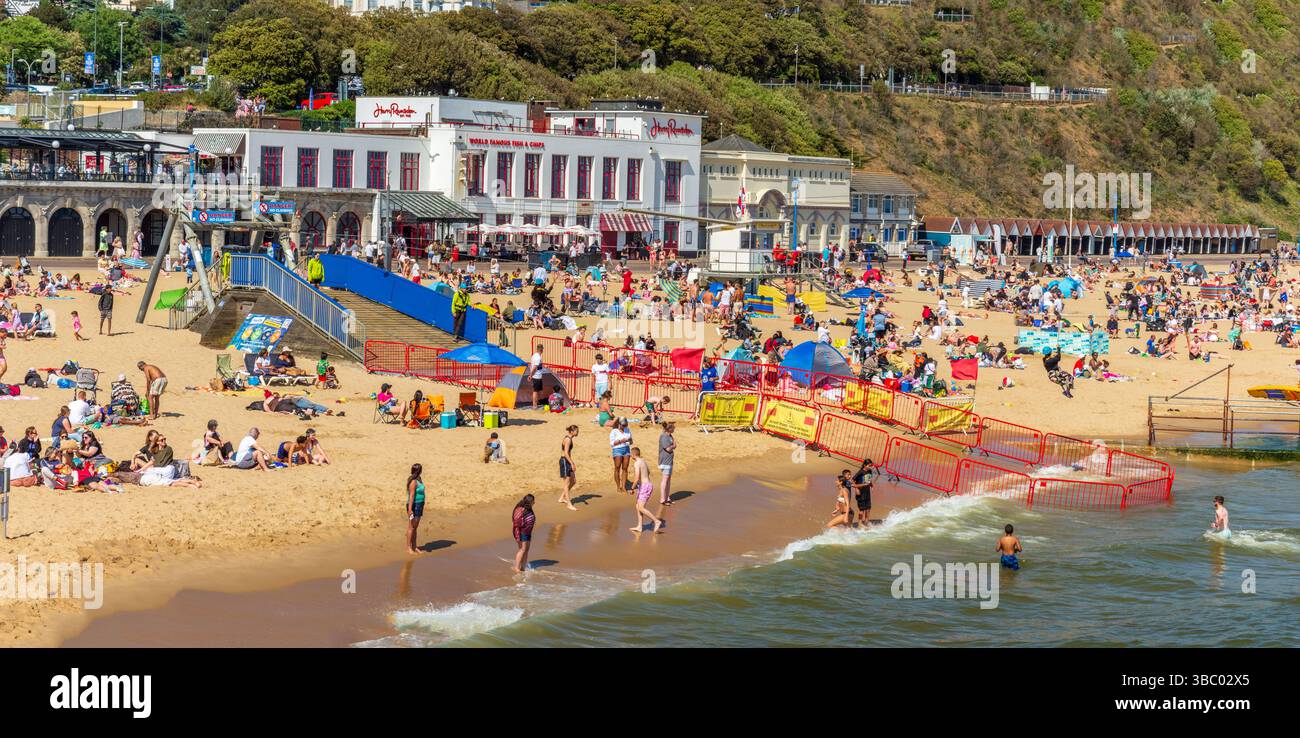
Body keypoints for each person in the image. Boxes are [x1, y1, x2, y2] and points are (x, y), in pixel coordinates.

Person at [628, 447, 664, 534]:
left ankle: (656, 521)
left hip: (645, 486)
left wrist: (632, 488)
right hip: (646, 485)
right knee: (638, 506)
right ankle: (640, 526)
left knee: (641, 507)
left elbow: (636, 478)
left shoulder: (637, 463)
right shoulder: (643, 461)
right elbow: (648, 472)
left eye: (630, 454)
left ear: (633, 455)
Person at [512, 494, 536, 573]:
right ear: (529, 502)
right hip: (522, 532)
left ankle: (523, 567)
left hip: (528, 532)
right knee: (522, 550)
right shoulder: (520, 509)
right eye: (533, 501)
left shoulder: (528, 508)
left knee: (526, 550)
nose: (534, 503)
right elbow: (517, 523)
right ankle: (516, 568)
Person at [405, 463, 425, 555]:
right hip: (414, 506)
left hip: (420, 505)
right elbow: (411, 496)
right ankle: (408, 548)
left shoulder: (419, 480)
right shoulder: (413, 481)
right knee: (411, 527)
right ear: (419, 471)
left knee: (415, 527)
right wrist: (410, 509)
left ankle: (414, 546)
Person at [609, 417, 632, 494]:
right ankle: (618, 487)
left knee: (625, 468)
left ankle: (624, 486)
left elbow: (631, 441)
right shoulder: (614, 431)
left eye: (625, 425)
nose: (624, 426)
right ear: (619, 424)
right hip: (617, 449)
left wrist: (629, 440)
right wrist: (620, 441)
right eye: (623, 425)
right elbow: (612, 444)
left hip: (626, 449)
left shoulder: (627, 430)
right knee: (617, 467)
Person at [558, 425, 578, 510]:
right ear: (572, 431)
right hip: (565, 461)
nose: (578, 432)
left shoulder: (570, 439)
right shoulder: (567, 440)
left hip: (567, 461)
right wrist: (572, 463)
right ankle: (569, 504)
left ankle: (562, 497)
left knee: (573, 481)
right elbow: (566, 453)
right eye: (577, 431)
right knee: (566, 483)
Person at [657, 422, 676, 506]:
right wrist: (673, 446)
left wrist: (673, 445)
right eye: (673, 428)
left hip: (669, 461)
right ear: (670, 429)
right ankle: (662, 499)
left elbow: (674, 444)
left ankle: (667, 497)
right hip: (665, 461)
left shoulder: (670, 436)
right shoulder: (664, 436)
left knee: (668, 480)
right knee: (665, 479)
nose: (674, 429)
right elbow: (668, 449)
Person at [851, 459, 874, 527]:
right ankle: (860, 524)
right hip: (860, 493)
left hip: (867, 492)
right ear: (864, 465)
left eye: (871, 465)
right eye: (869, 465)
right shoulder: (860, 472)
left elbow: (869, 480)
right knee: (862, 510)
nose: (870, 467)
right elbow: (852, 480)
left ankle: (866, 522)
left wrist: (872, 486)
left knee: (868, 508)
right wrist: (856, 489)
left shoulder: (870, 471)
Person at [527, 344, 545, 409]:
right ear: (541, 349)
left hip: (538, 376)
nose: (543, 350)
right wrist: (530, 375)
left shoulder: (534, 355)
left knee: (539, 391)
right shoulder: (538, 357)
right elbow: (534, 367)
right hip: (536, 376)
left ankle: (537, 402)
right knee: (535, 391)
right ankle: (534, 405)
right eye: (542, 349)